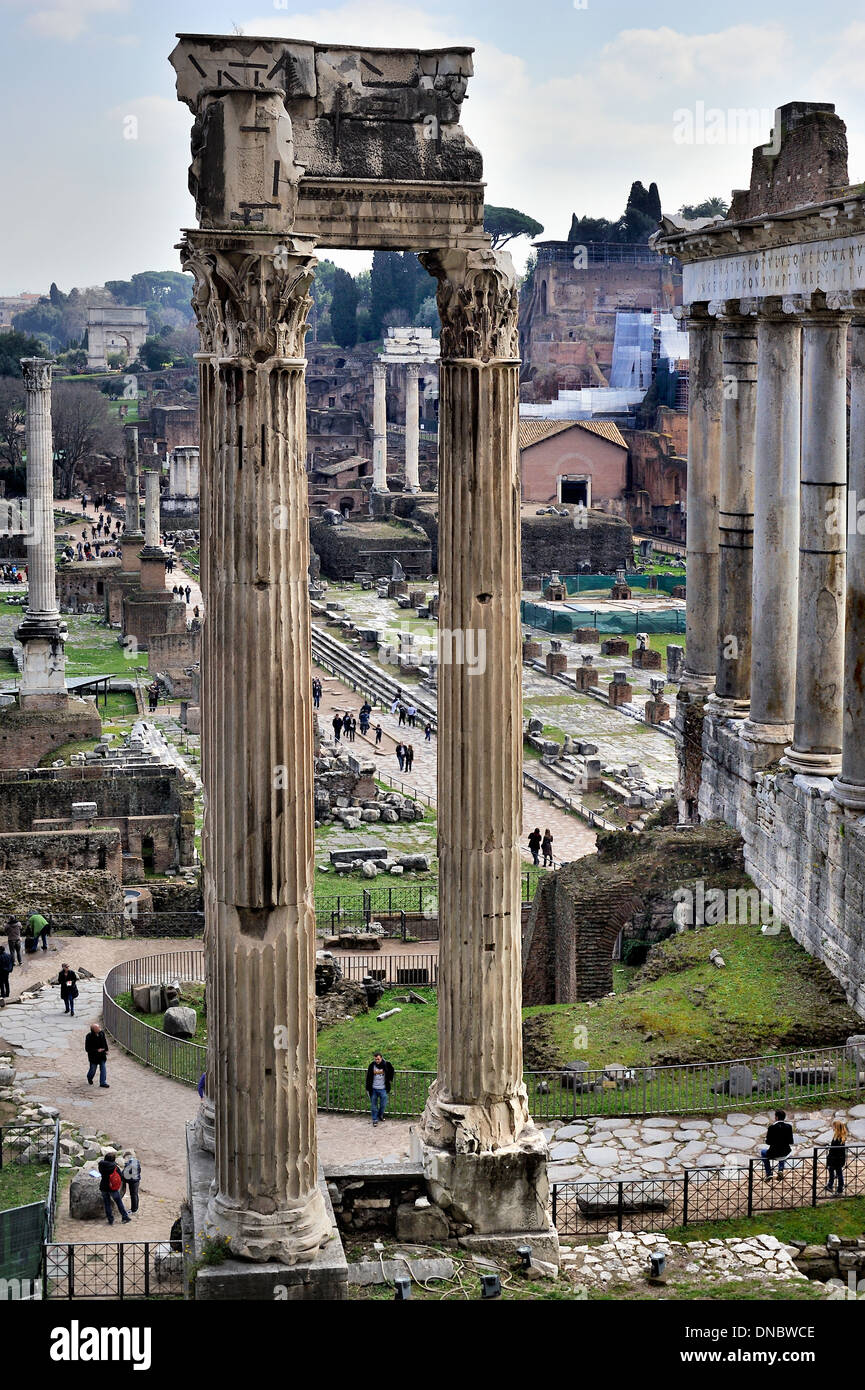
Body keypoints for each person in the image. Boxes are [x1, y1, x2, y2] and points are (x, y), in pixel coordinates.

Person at [98, 1152, 131, 1226]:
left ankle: (110, 1219)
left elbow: (100, 1172)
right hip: (112, 1187)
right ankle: (125, 1217)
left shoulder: (101, 1165)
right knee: (119, 1202)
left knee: (107, 1204)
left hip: (103, 1186)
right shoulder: (115, 1167)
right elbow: (120, 1175)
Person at [761, 1108, 794, 1180]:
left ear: (776, 1117)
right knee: (784, 1152)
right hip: (785, 1153)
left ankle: (769, 1173)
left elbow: (768, 1142)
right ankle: (780, 1169)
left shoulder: (771, 1127)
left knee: (763, 1152)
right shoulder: (789, 1127)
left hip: (774, 1154)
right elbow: (791, 1141)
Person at [365, 1051, 394, 1126]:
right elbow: (368, 1077)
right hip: (373, 1088)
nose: (377, 1061)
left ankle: (380, 1115)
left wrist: (390, 1079)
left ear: (381, 1058)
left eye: (378, 1059)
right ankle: (375, 1119)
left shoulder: (387, 1064)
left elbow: (392, 1070)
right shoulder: (372, 1065)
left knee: (383, 1104)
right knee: (373, 1105)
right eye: (375, 1059)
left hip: (383, 1088)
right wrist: (367, 1088)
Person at [85, 1022, 110, 1088]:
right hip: (93, 1057)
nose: (100, 1029)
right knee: (92, 1070)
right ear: (94, 1030)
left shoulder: (101, 1033)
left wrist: (106, 1050)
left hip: (102, 1055)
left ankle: (103, 1082)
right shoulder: (89, 1036)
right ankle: (89, 1077)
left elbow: (104, 1041)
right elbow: (87, 1049)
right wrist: (96, 1050)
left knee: (103, 1068)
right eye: (98, 1028)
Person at [826, 1120, 847, 1194]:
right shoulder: (838, 1136)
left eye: (833, 1126)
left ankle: (839, 1188)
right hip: (836, 1158)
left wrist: (831, 1157)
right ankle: (830, 1185)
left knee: (838, 1173)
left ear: (836, 1127)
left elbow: (836, 1150)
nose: (832, 1127)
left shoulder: (839, 1138)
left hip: (836, 1159)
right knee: (833, 1170)